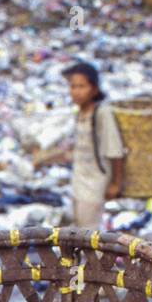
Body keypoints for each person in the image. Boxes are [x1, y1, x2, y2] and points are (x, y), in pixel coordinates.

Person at [62, 61, 125, 229]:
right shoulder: (80, 112)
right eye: (73, 86)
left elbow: (115, 150)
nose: (75, 92)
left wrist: (115, 184)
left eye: (81, 86)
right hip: (78, 181)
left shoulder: (102, 113)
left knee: (89, 232)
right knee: (79, 228)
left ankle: (93, 257)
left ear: (94, 89)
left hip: (94, 184)